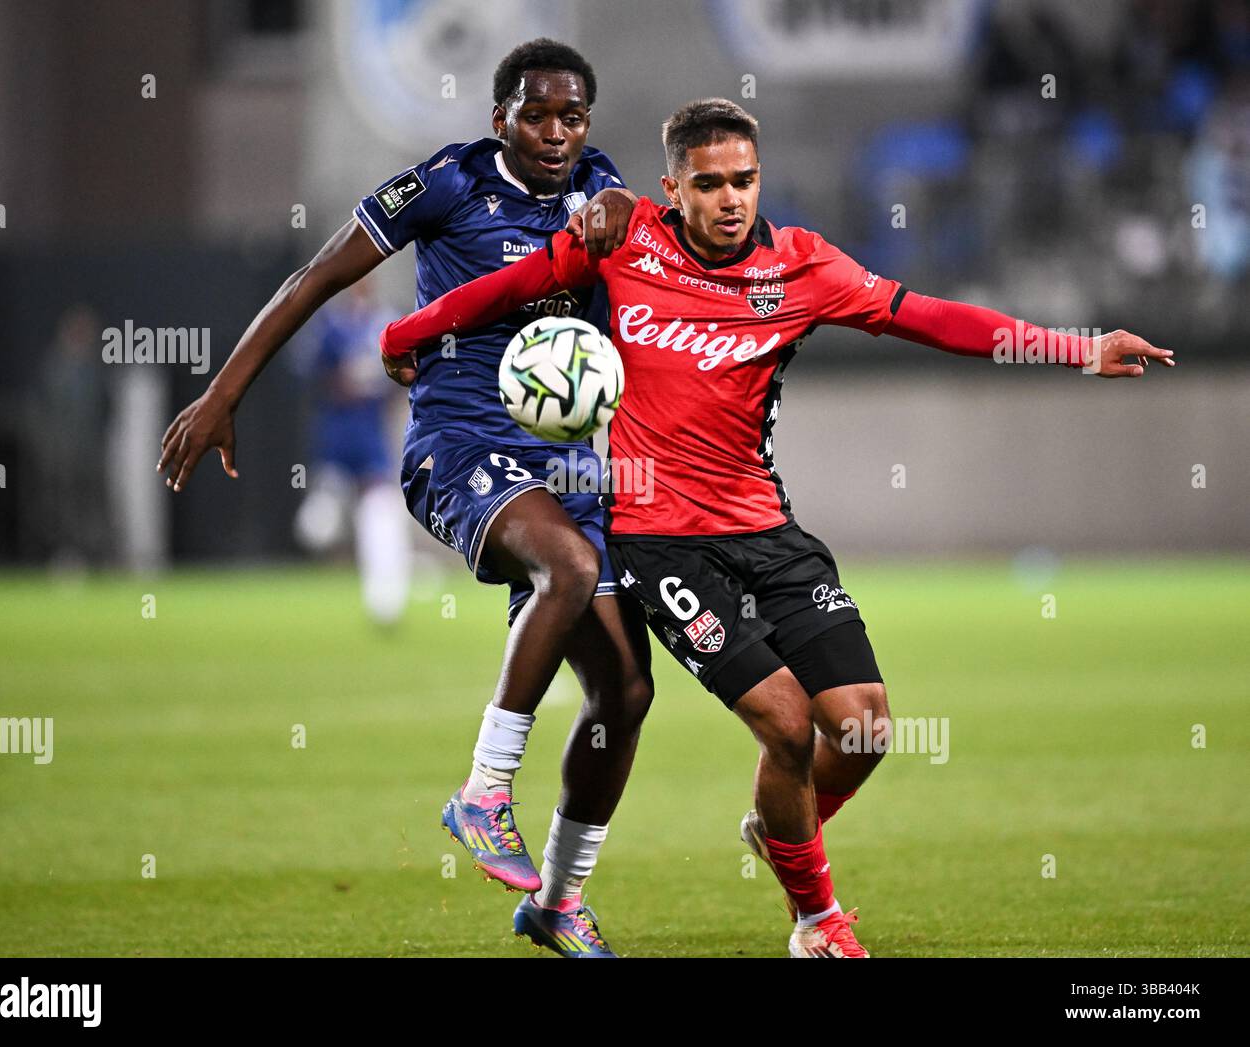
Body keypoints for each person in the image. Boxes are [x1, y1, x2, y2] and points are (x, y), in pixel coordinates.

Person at [379, 98, 1175, 958]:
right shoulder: (622, 241)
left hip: (768, 529)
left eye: (745, 180)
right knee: (789, 727)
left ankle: (777, 827)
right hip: (661, 541)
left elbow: (931, 317)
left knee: (864, 726)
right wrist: (412, 330)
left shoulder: (805, 266)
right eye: (710, 183)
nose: (731, 199)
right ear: (672, 187)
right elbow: (514, 285)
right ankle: (815, 919)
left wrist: (1075, 347)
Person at [158, 39, 653, 957]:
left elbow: (624, 215)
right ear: (497, 116)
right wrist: (224, 392)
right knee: (572, 567)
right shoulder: (445, 183)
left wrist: (624, 206)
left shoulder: (596, 182)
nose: (555, 133)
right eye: (536, 115)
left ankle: (557, 899)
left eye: (572, 117)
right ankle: (484, 789)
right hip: (458, 449)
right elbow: (315, 279)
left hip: (571, 470)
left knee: (624, 693)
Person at [292, 281, 410, 625]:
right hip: (335, 436)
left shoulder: (387, 321)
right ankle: (336, 543)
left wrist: (389, 387)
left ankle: (385, 601)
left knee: (382, 516)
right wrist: (336, 380)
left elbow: (408, 371)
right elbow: (303, 368)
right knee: (318, 524)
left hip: (370, 435)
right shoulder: (330, 323)